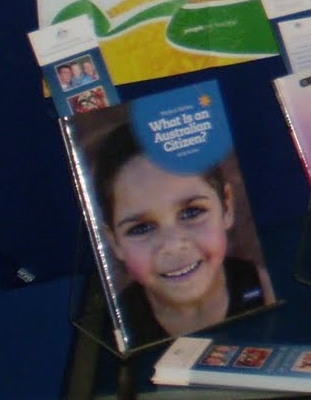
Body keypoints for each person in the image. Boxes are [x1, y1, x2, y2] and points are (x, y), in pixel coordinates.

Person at [90, 120, 273, 345]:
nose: (173, 244)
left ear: (226, 207)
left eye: (191, 212)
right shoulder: (112, 330)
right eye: (141, 228)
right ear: (114, 242)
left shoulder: (263, 286)